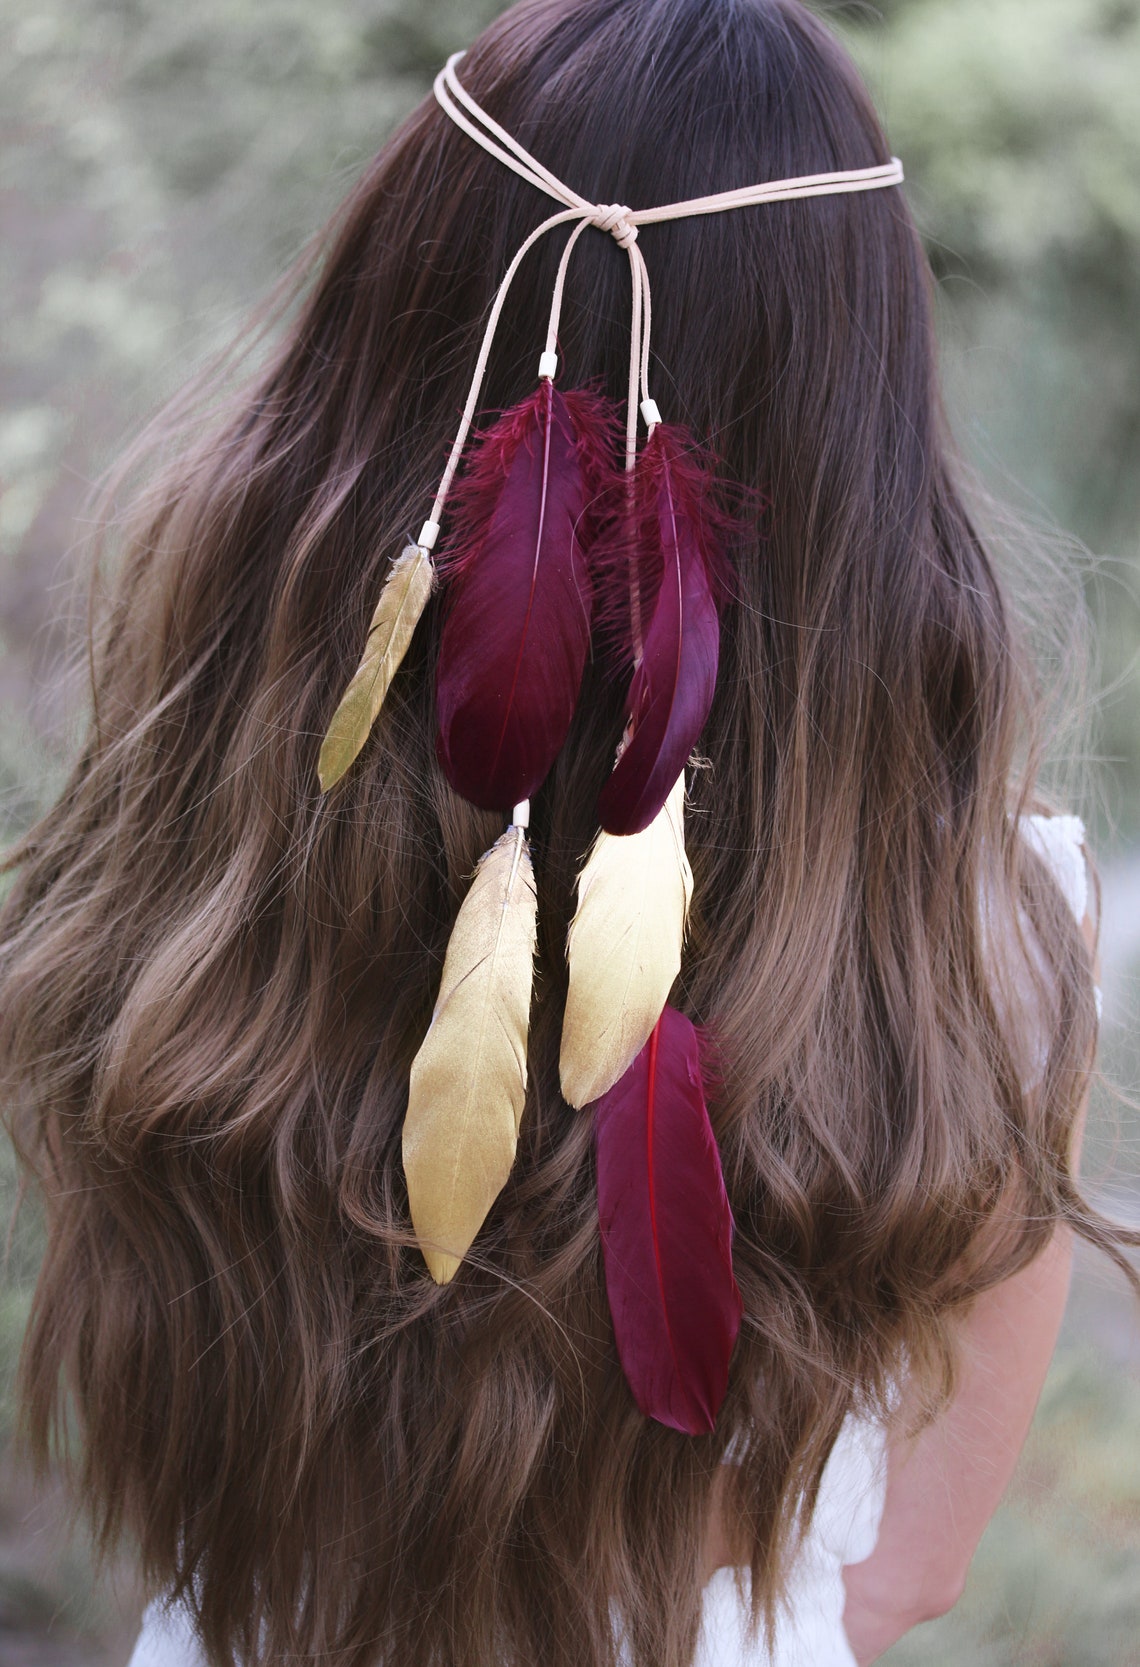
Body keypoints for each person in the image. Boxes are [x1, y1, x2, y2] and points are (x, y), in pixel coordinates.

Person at [0, 1, 1134, 1663]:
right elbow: (916, 1567)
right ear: (865, 431)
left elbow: (165, 1444)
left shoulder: (228, 798)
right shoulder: (992, 924)